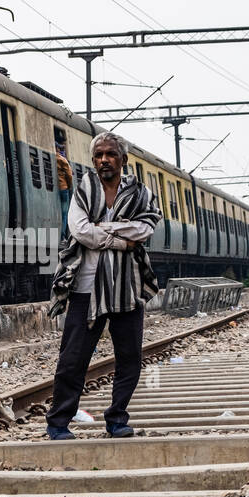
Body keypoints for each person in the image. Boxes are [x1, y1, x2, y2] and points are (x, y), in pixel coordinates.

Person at [45, 132, 162, 440]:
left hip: (127, 287)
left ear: (122, 159)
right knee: (73, 359)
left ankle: (117, 419)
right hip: (86, 287)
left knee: (130, 358)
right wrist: (120, 240)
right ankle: (58, 423)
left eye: (110, 154)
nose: (103, 160)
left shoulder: (140, 193)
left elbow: (146, 227)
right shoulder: (83, 190)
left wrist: (104, 229)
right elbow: (80, 231)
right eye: (98, 155)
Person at [55, 138, 73, 240]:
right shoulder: (62, 159)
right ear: (57, 148)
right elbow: (69, 174)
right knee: (65, 213)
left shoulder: (52, 158)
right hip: (63, 188)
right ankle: (63, 236)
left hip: (55, 187)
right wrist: (70, 186)